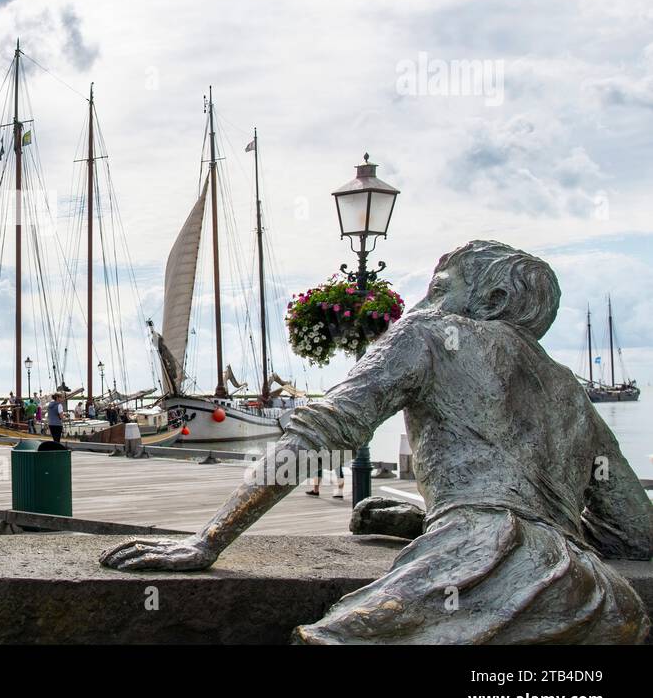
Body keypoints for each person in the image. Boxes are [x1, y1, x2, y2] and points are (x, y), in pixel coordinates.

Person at [102, 241, 653, 644]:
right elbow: (634, 531)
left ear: (494, 297)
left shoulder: (430, 334)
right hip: (595, 599)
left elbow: (320, 435)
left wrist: (209, 540)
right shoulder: (570, 392)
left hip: (483, 568)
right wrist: (428, 516)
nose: (424, 299)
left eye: (440, 286)